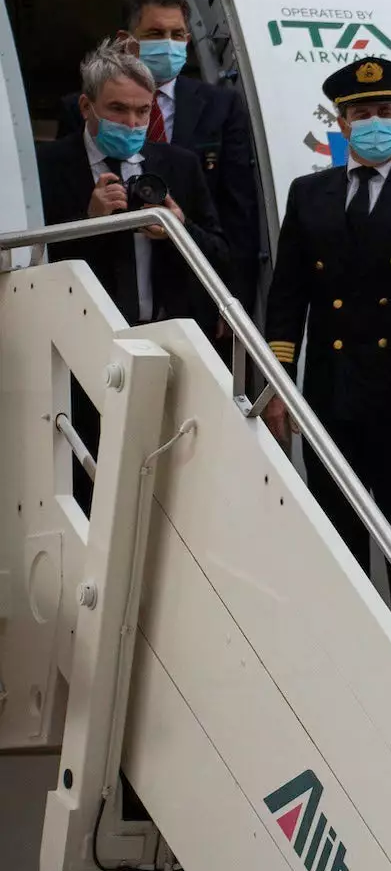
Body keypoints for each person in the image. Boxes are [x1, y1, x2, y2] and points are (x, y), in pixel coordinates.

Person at [263, 57, 391, 646]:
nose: (373, 121)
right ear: (341, 122)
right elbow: (288, 296)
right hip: (333, 397)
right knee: (336, 544)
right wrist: (278, 381)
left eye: (384, 111)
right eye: (360, 113)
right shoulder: (309, 194)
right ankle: (343, 666)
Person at [37, 39, 230, 514]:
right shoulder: (45, 166)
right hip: (79, 352)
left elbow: (222, 254)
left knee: (168, 489)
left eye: (142, 112)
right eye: (117, 110)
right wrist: (87, 219)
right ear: (87, 106)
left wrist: (178, 231)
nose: (131, 124)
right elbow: (29, 263)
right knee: (88, 486)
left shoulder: (177, 165)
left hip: (163, 342)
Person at [57, 0, 263, 324]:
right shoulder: (75, 114)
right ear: (127, 39)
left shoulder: (220, 106)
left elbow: (237, 213)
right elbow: (66, 191)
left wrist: (232, 302)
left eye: (178, 35)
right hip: (97, 297)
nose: (168, 44)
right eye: (155, 33)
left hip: (184, 295)